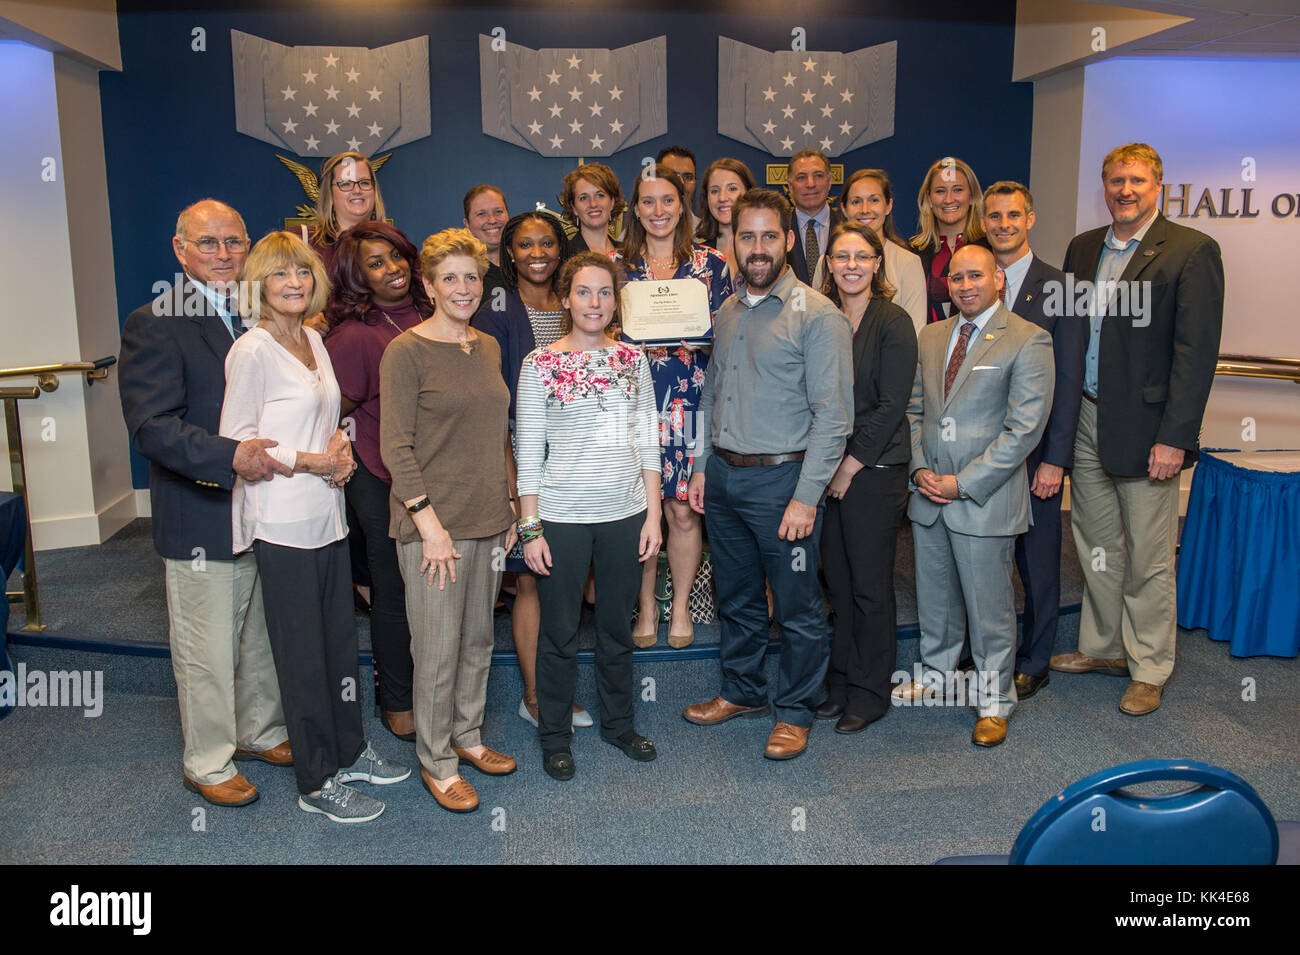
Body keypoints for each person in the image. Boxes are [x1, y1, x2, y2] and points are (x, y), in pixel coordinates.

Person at [220, 230, 409, 823]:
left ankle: (350, 751)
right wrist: (313, 461)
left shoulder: (314, 339)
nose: (294, 283)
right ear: (259, 285)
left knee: (338, 644)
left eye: (302, 272)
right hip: (280, 522)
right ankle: (316, 779)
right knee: (303, 655)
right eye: (280, 274)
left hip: (327, 515)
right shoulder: (252, 350)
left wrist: (338, 446)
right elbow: (238, 443)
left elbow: (329, 414)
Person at [119, 199, 293, 808]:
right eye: (208, 243)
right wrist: (230, 457)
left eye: (234, 242)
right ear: (180, 249)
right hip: (203, 508)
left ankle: (259, 731)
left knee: (258, 634)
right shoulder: (155, 322)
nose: (224, 255)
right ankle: (209, 760)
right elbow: (152, 427)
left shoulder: (260, 314)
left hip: (266, 507)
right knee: (207, 646)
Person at [1050, 143, 1224, 716]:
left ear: (1158, 186)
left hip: (1150, 428)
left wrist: (1176, 437)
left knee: (1148, 554)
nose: (1125, 190)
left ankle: (1149, 664)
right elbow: (1069, 333)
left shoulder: (1192, 250)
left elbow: (1195, 355)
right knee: (1095, 543)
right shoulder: (1083, 248)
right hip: (1086, 415)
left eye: (1137, 181)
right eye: (1116, 181)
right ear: (1104, 186)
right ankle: (1104, 647)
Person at [683, 188, 852, 761]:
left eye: (769, 236)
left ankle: (796, 712)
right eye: (747, 236)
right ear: (732, 241)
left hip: (785, 484)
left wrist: (807, 498)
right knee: (737, 597)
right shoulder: (729, 310)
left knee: (798, 607)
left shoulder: (818, 315)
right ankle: (743, 691)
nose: (757, 248)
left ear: (788, 240)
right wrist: (702, 466)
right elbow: (710, 395)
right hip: (725, 481)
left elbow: (834, 418)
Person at [379, 228, 519, 812]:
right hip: (432, 527)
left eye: (472, 277)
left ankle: (467, 735)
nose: (464, 288)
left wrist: (510, 502)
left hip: (488, 518)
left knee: (478, 640)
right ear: (429, 285)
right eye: (450, 278)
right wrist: (428, 524)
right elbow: (395, 446)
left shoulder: (485, 346)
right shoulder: (406, 351)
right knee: (437, 650)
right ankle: (436, 762)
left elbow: (498, 432)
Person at [515, 252, 663, 781]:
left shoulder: (633, 360)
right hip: (561, 518)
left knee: (615, 629)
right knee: (559, 634)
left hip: (626, 514)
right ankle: (554, 737)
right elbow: (528, 451)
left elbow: (649, 442)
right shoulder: (538, 364)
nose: (594, 302)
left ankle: (619, 726)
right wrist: (530, 528)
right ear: (565, 298)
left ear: (615, 302)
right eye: (583, 291)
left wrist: (654, 516)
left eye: (604, 292)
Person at [900, 244, 1054, 747]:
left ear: (999, 279)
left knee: (990, 611)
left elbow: (1023, 431)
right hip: (928, 493)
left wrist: (962, 482)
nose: (965, 285)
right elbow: (914, 411)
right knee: (935, 598)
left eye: (976, 276)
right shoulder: (931, 336)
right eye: (957, 277)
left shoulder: (1029, 339)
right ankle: (938, 674)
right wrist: (920, 469)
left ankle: (993, 701)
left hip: (984, 500)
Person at [471, 210, 593, 730]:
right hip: (523, 460)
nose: (537, 253)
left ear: (561, 249)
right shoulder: (495, 312)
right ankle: (536, 695)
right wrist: (511, 484)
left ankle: (560, 688)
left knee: (568, 578)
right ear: (509, 253)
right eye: (525, 245)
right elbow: (492, 407)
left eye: (547, 243)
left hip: (580, 462)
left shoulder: (576, 304)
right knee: (529, 581)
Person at [323, 221, 434, 742]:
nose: (393, 269)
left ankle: (438, 689)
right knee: (394, 589)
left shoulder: (435, 311)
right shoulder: (354, 336)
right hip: (381, 475)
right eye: (376, 263)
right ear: (356, 276)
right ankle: (397, 699)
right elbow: (332, 412)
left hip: (438, 470)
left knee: (438, 584)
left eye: (396, 256)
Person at [980, 181, 1086, 700]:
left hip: (1038, 452)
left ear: (1030, 219)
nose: (1004, 224)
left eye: (1013, 215)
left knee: (1037, 561)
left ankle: (1035, 658)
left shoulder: (1062, 288)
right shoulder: (973, 280)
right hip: (981, 449)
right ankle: (982, 650)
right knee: (984, 557)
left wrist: (1056, 461)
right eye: (994, 216)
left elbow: (1068, 381)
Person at [619, 165, 733, 649]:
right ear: (635, 209)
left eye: (668, 200)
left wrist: (704, 339)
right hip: (634, 403)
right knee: (639, 509)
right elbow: (597, 332)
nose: (658, 210)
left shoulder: (711, 263)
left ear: (683, 206)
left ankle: (681, 606)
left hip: (691, 399)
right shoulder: (616, 265)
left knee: (683, 510)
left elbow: (732, 336)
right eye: (648, 201)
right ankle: (646, 605)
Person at [816, 223, 917, 733]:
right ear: (829, 264)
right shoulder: (822, 318)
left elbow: (891, 405)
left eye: (861, 256)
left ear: (878, 263)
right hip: (826, 469)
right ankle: (840, 682)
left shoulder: (893, 321)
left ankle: (871, 691)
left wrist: (849, 466)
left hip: (872, 472)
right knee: (837, 583)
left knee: (870, 586)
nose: (851, 265)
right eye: (841, 256)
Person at [839, 168, 927, 332]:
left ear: (888, 206)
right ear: (844, 209)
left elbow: (916, 331)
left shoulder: (908, 263)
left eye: (874, 200)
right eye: (856, 202)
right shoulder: (827, 261)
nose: (865, 209)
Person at [910, 157, 986, 325]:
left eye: (957, 190)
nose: (949, 199)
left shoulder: (990, 248)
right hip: (926, 341)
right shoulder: (912, 253)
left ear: (972, 196)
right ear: (929, 199)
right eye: (940, 191)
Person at [306, 151, 388, 271]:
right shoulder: (303, 242)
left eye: (364, 183)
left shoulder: (394, 245)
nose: (357, 190)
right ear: (330, 193)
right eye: (345, 184)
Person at [695, 157, 756, 282]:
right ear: (706, 198)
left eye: (732, 189)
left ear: (749, 193)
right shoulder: (697, 255)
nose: (722, 198)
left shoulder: (767, 248)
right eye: (714, 191)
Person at [786, 149, 842, 286]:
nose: (810, 184)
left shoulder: (847, 226)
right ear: (790, 186)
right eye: (801, 177)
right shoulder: (779, 230)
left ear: (829, 182)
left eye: (818, 176)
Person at [559, 162, 624, 257]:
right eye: (583, 198)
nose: (593, 204)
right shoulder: (565, 256)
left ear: (612, 202)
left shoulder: (628, 255)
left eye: (600, 195)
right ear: (574, 208)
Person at [463, 184, 510, 302]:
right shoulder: (463, 273)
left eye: (498, 212)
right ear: (467, 223)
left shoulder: (524, 266)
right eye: (481, 214)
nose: (492, 220)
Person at [657, 145, 699, 230]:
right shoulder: (637, 234)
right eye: (673, 176)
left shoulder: (708, 233)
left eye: (688, 177)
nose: (681, 183)